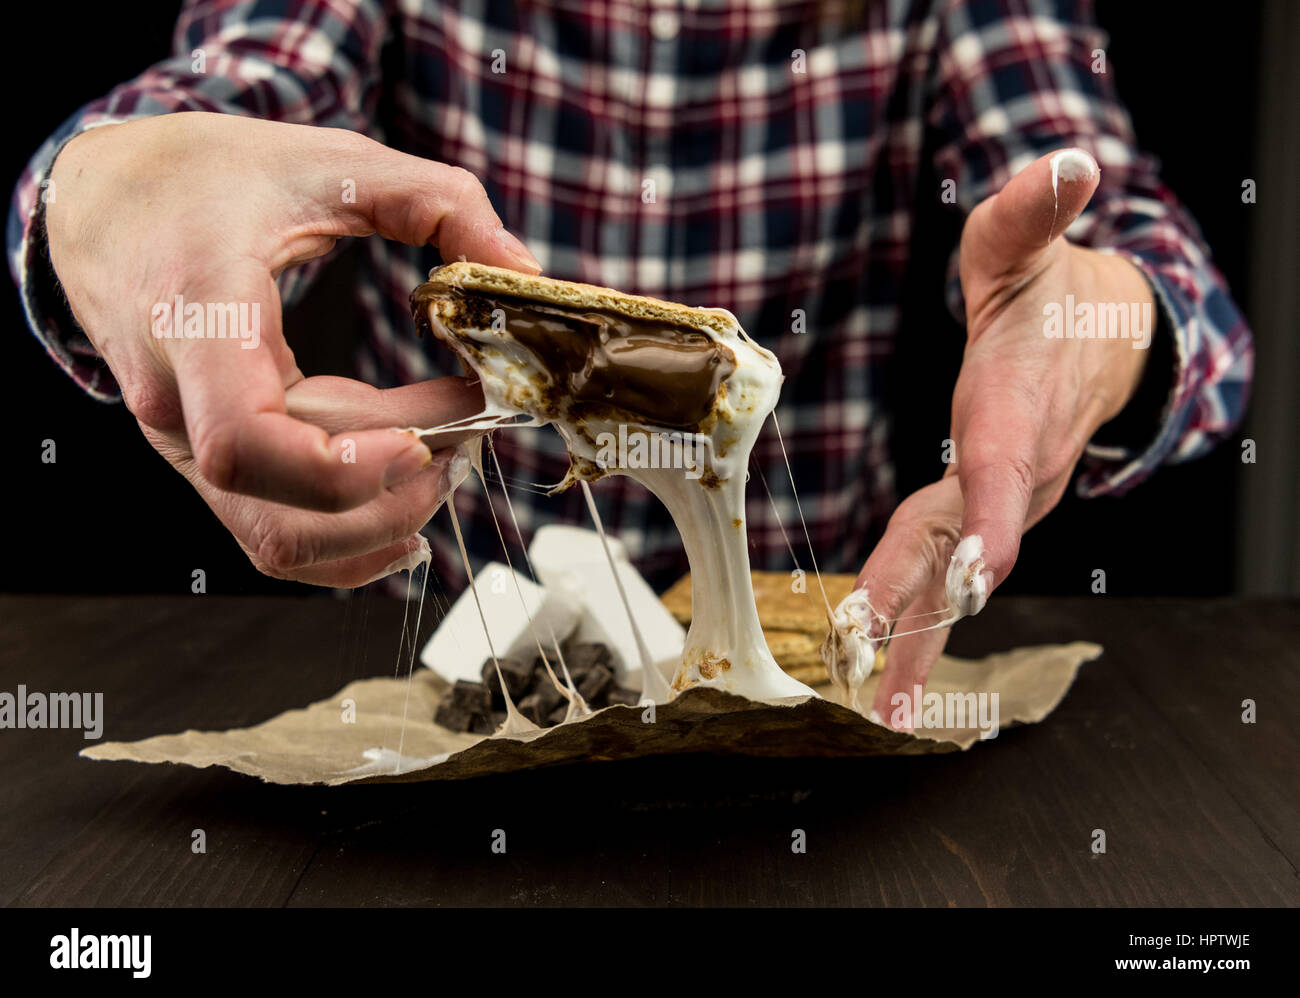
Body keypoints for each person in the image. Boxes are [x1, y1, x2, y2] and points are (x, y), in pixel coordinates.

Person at [8, 0, 1251, 727]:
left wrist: (1087, 319)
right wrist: (105, 190)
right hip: (453, 634)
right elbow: (235, 91)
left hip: (834, 643)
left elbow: (1122, 228)